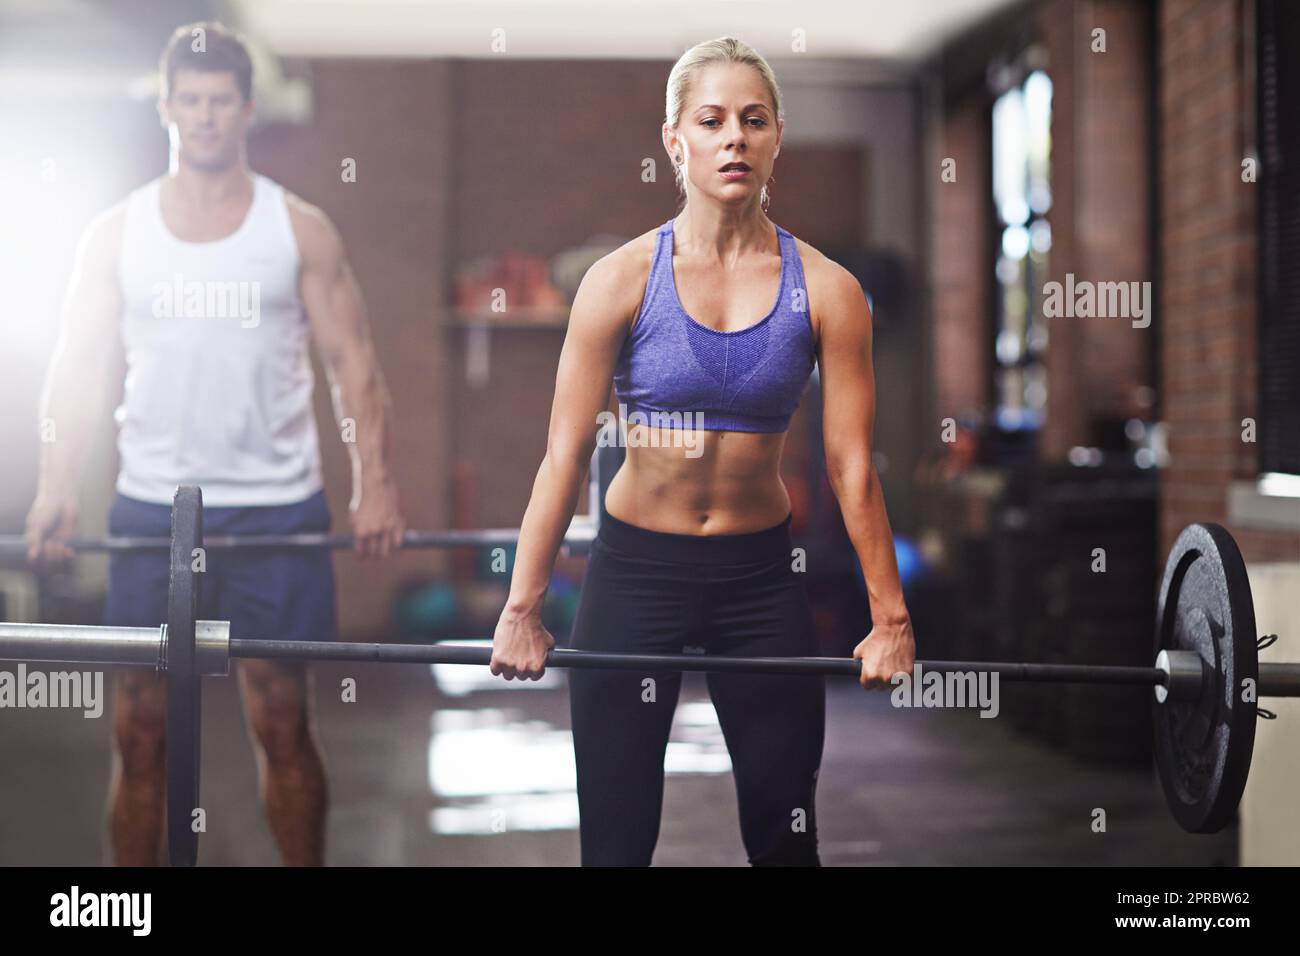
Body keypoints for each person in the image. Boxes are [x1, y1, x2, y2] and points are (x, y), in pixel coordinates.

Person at [489, 36, 915, 866]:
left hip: (760, 580)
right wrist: (522, 609)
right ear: (675, 140)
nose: (735, 139)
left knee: (786, 831)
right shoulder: (618, 281)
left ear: (776, 139)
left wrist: (890, 618)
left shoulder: (827, 290)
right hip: (635, 570)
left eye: (754, 121)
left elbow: (852, 466)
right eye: (712, 120)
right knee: (615, 844)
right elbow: (563, 457)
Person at [23, 21, 404, 865]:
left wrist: (374, 481)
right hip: (153, 510)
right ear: (166, 107)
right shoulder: (117, 234)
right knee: (141, 727)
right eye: (188, 101)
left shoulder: (298, 227)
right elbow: (76, 369)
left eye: (219, 101)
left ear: (246, 110)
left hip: (275, 510)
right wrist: (54, 486)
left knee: (281, 717)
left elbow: (354, 365)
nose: (203, 117)